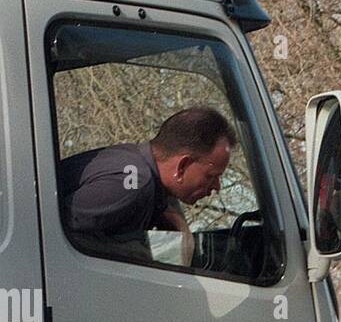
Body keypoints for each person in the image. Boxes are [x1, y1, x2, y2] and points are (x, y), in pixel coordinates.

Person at [58, 106, 236, 264]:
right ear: (182, 166)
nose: (217, 187)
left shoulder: (142, 176)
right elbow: (51, 232)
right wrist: (137, 255)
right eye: (211, 176)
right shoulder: (133, 184)